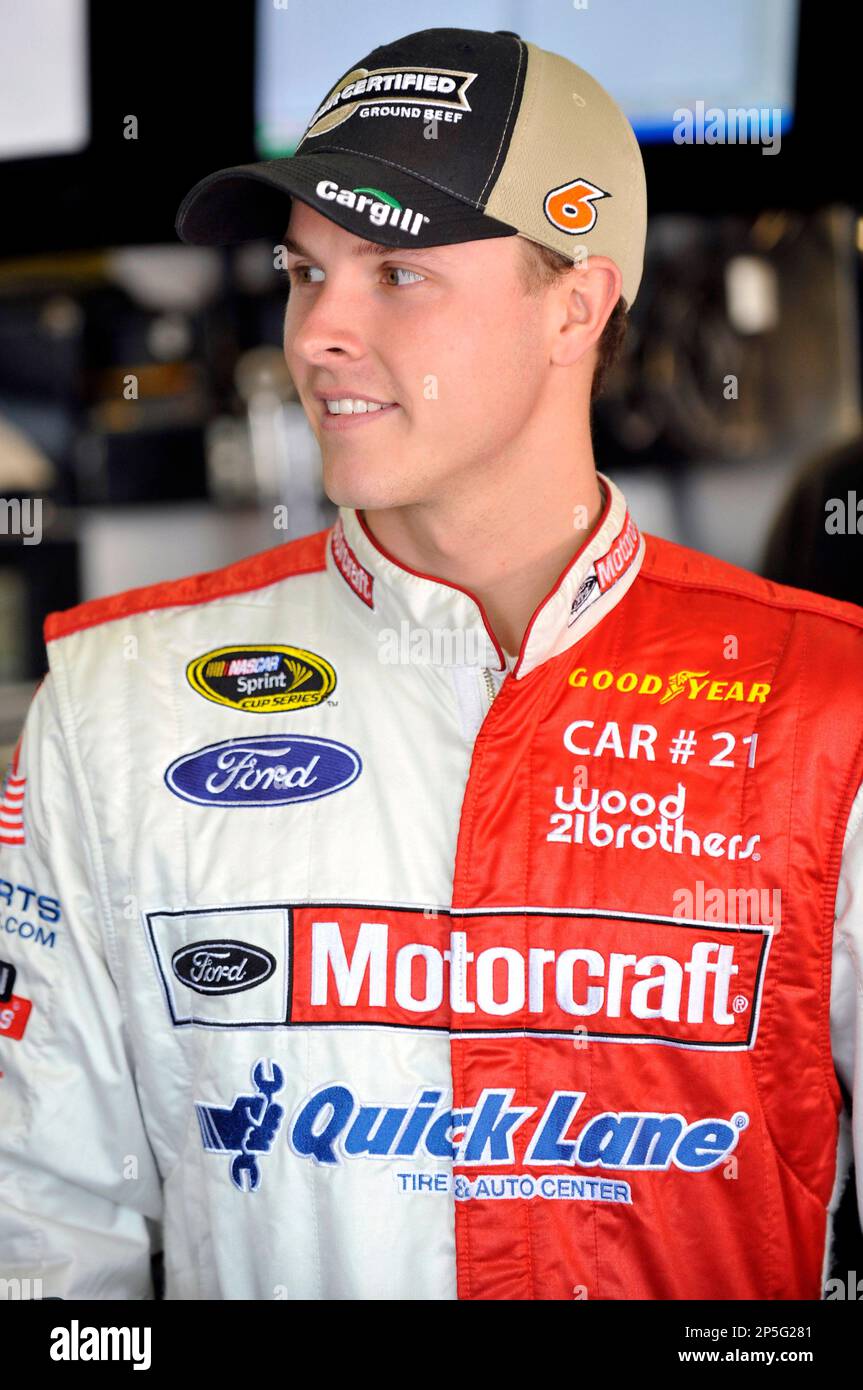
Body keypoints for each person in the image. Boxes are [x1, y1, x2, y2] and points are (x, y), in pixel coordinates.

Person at [1, 25, 861, 1302]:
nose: (318, 335)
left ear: (576, 301)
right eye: (305, 274)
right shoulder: (116, 701)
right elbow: (43, 1236)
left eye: (396, 273)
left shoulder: (825, 702)